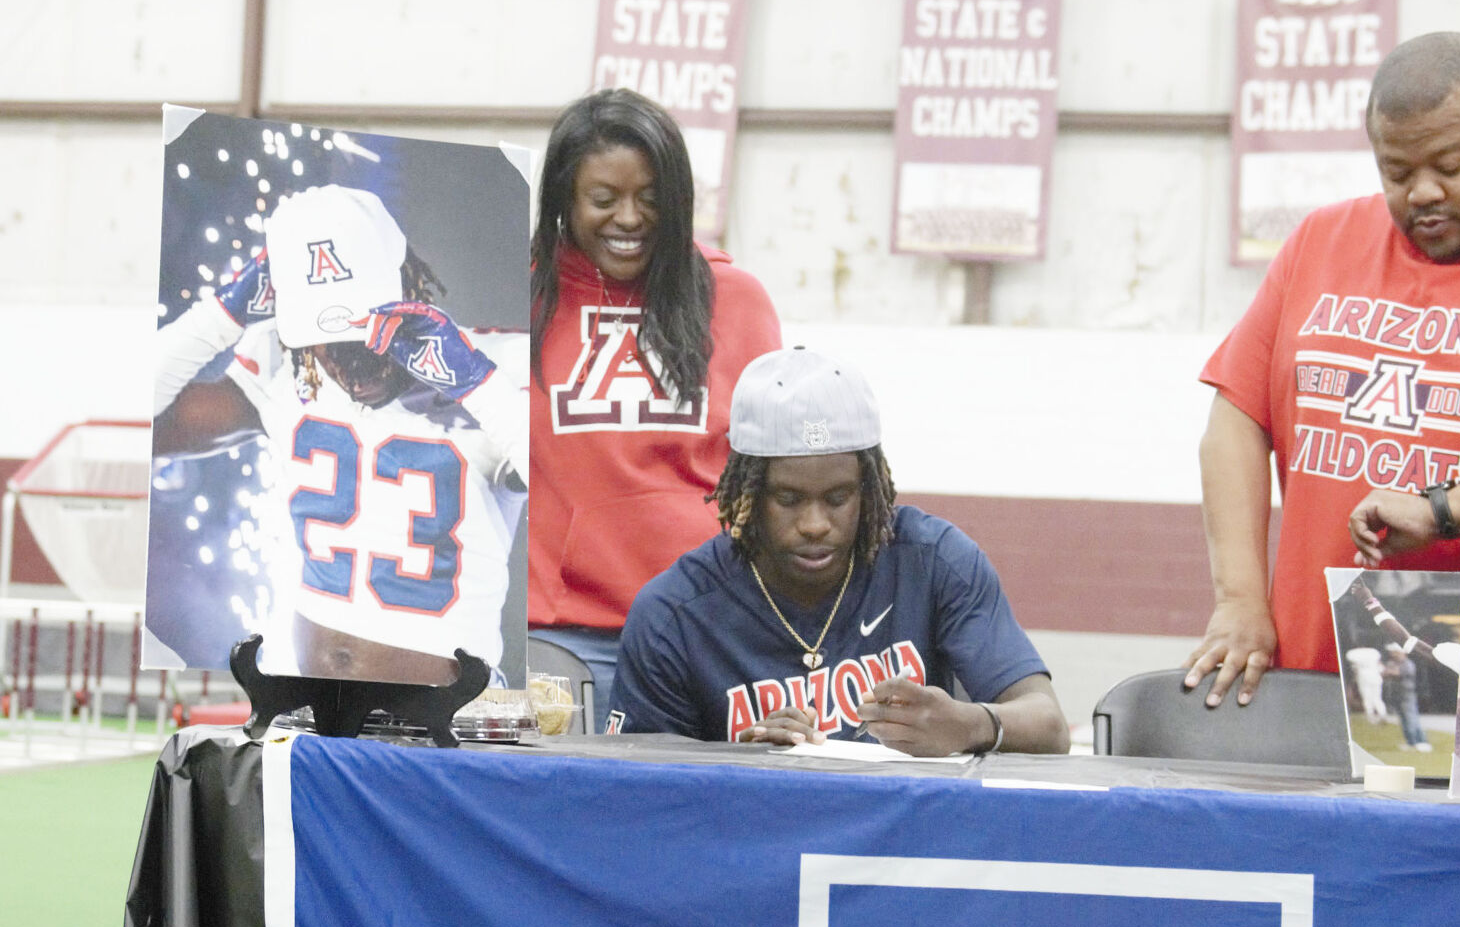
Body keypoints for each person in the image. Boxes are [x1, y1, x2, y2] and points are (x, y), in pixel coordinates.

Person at [1186, 31, 1460, 707]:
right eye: (1397, 171)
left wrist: (1443, 511)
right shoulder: (1321, 243)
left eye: (1450, 165)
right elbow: (1237, 418)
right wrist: (1240, 599)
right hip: (1308, 667)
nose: (1423, 191)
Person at [152, 183, 527, 683]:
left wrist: (478, 384)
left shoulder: (497, 372)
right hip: (314, 699)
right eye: (324, 338)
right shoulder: (285, 369)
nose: (349, 362)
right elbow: (136, 423)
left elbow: (574, 493)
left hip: (447, 711)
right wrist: (220, 316)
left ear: (404, 282)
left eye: (361, 331)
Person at [612, 348, 1068, 755]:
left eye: (838, 497)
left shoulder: (934, 561)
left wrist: (968, 725)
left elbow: (1049, 725)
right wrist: (743, 766)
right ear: (748, 492)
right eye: (788, 499)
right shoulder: (673, 615)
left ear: (868, 489)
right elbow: (638, 791)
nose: (815, 524)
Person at [529, 89, 782, 725]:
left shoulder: (736, 299)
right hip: (558, 642)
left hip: (704, 634)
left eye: (650, 197)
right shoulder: (516, 299)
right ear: (563, 199)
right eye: (603, 198)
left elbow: (769, 471)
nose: (629, 218)